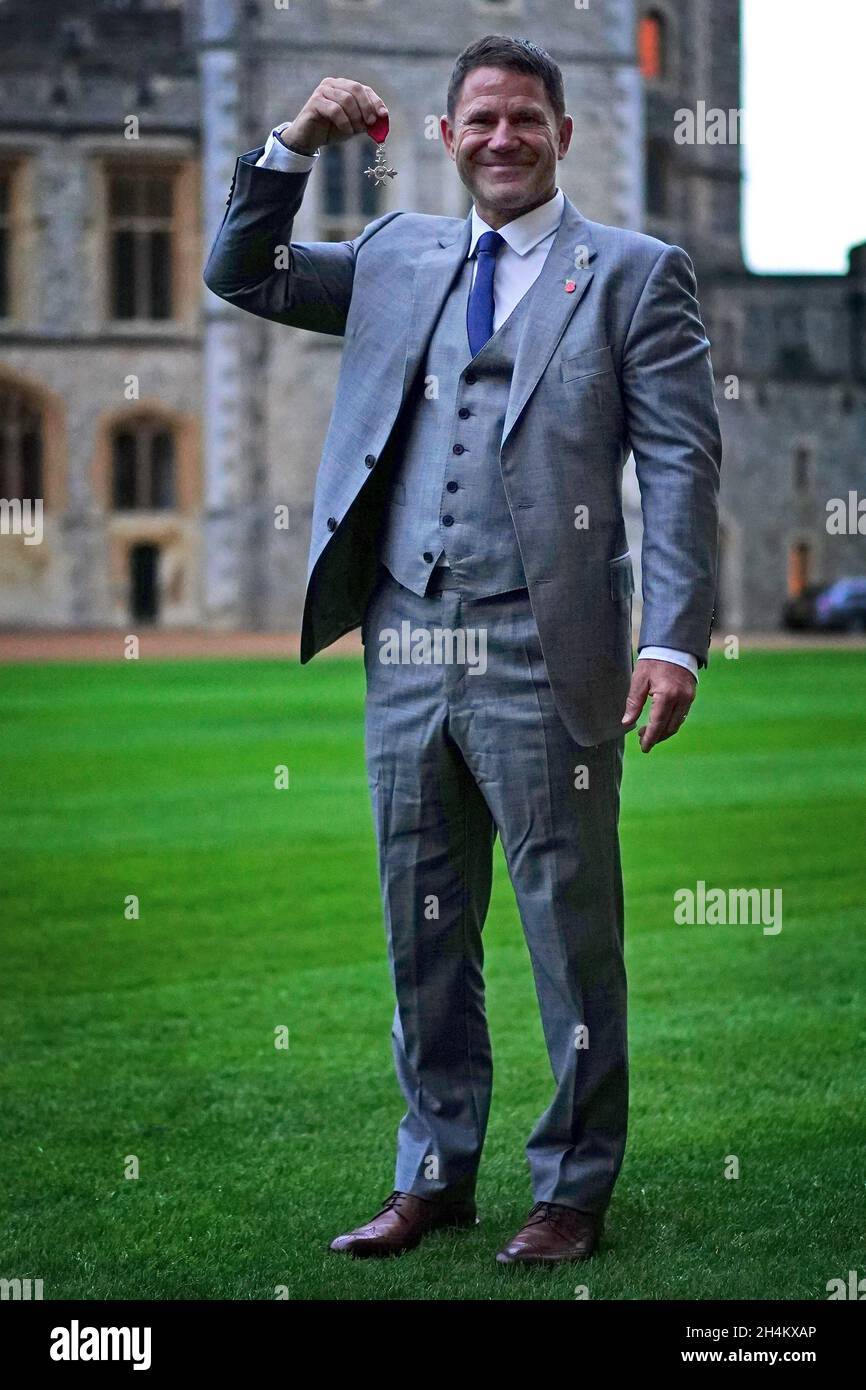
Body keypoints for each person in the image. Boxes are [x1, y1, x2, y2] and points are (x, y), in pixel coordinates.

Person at [203, 34, 721, 1266]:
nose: (502, 138)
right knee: (422, 929)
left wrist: (675, 639)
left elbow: (681, 465)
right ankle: (431, 1175)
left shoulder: (635, 273)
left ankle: (571, 1191)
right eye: (479, 119)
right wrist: (293, 146)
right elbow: (243, 272)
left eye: (525, 119)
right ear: (445, 137)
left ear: (562, 134)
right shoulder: (394, 254)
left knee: (564, 930)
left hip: (547, 650)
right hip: (404, 641)